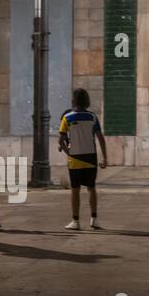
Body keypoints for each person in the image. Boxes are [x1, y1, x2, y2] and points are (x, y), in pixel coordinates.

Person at [58, 87, 108, 230]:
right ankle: (94, 219)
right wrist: (105, 157)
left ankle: (76, 221)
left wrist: (69, 152)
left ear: (73, 100)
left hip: (75, 158)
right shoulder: (92, 117)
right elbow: (100, 138)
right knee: (91, 188)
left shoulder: (67, 118)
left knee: (75, 190)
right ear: (86, 101)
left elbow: (61, 140)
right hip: (91, 156)